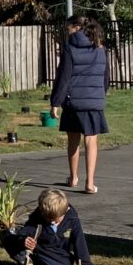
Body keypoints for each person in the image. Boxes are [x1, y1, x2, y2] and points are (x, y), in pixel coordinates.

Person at [50, 15, 109, 194]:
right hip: (94, 101)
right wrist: (100, 94)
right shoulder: (100, 48)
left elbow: (63, 78)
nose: (66, 30)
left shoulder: (69, 49)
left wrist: (55, 102)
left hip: (73, 101)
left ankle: (73, 177)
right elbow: (105, 77)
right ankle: (90, 182)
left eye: (68, 27)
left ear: (76, 27)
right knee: (91, 140)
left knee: (73, 140)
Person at [4, 188, 94, 265]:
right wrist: (24, 240)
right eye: (49, 218)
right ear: (42, 212)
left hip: (60, 257)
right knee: (9, 239)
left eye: (56, 219)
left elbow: (79, 241)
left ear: (66, 210)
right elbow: (24, 232)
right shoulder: (37, 218)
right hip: (39, 252)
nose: (52, 222)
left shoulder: (72, 218)